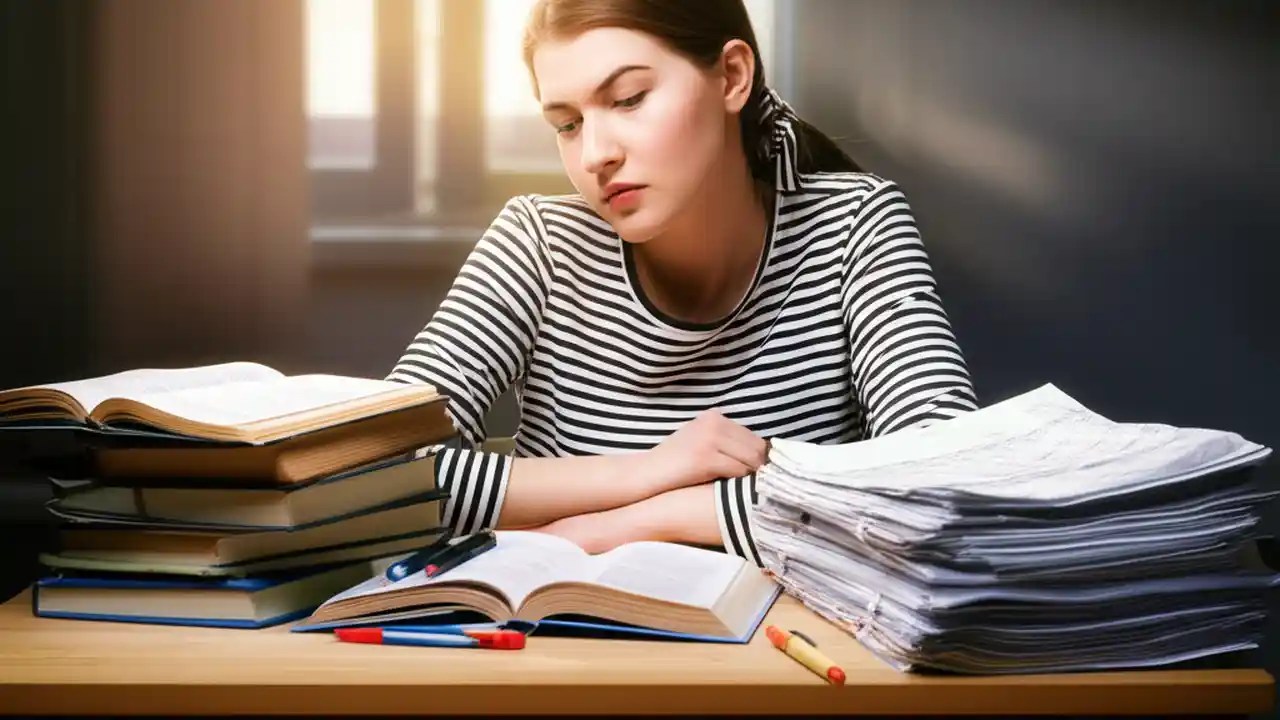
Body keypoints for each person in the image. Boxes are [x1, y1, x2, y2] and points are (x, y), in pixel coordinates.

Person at [387, 0, 977, 565]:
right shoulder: (538, 244)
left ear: (732, 76)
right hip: (559, 652)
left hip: (785, 657)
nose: (594, 154)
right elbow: (373, 474)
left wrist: (643, 521)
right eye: (566, 124)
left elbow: (943, 477)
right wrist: (646, 469)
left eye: (628, 98)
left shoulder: (852, 227)